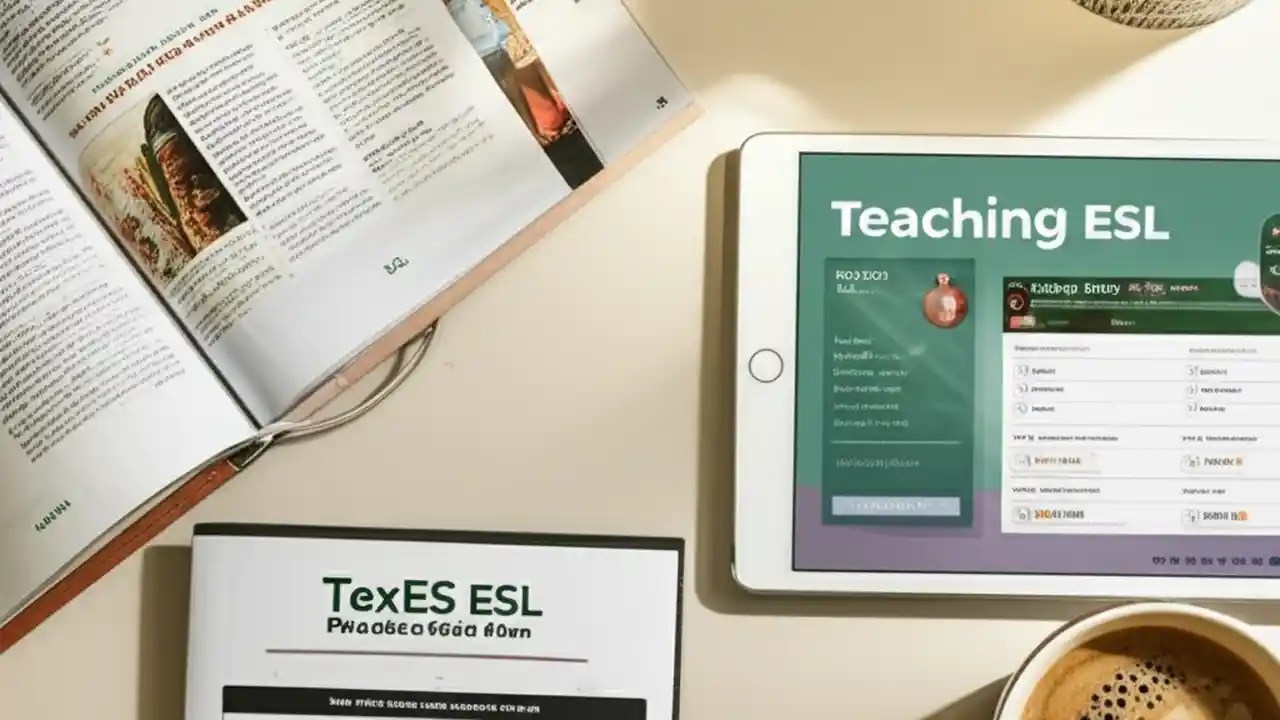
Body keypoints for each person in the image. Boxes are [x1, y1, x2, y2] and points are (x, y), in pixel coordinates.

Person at [446, 0, 538, 135]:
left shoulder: (461, 7)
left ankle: (531, 133)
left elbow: (494, 24)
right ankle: (530, 134)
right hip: (490, 57)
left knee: (513, 97)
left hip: (495, 54)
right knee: (512, 98)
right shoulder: (461, 7)